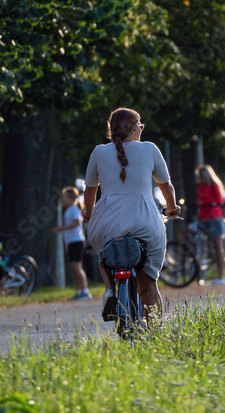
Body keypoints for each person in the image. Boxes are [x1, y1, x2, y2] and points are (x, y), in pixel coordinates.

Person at [82, 108, 180, 326]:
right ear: (136, 129)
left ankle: (109, 290)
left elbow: (89, 190)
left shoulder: (98, 152)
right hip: (145, 221)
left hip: (106, 221)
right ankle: (155, 334)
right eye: (141, 128)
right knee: (148, 285)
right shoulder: (150, 149)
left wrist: (89, 214)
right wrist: (172, 209)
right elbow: (167, 187)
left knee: (104, 250)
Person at [53, 187, 91, 301]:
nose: (63, 199)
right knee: (73, 267)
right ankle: (79, 291)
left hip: (77, 241)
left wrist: (62, 228)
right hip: (71, 242)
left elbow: (77, 222)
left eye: (64, 197)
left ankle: (85, 291)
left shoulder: (74, 209)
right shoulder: (69, 210)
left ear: (70, 198)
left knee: (77, 266)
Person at [195, 164, 225, 285]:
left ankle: (221, 276)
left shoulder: (214, 185)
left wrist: (204, 202)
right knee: (199, 244)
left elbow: (220, 200)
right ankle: (199, 273)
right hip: (203, 218)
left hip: (215, 218)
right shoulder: (199, 186)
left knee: (218, 247)